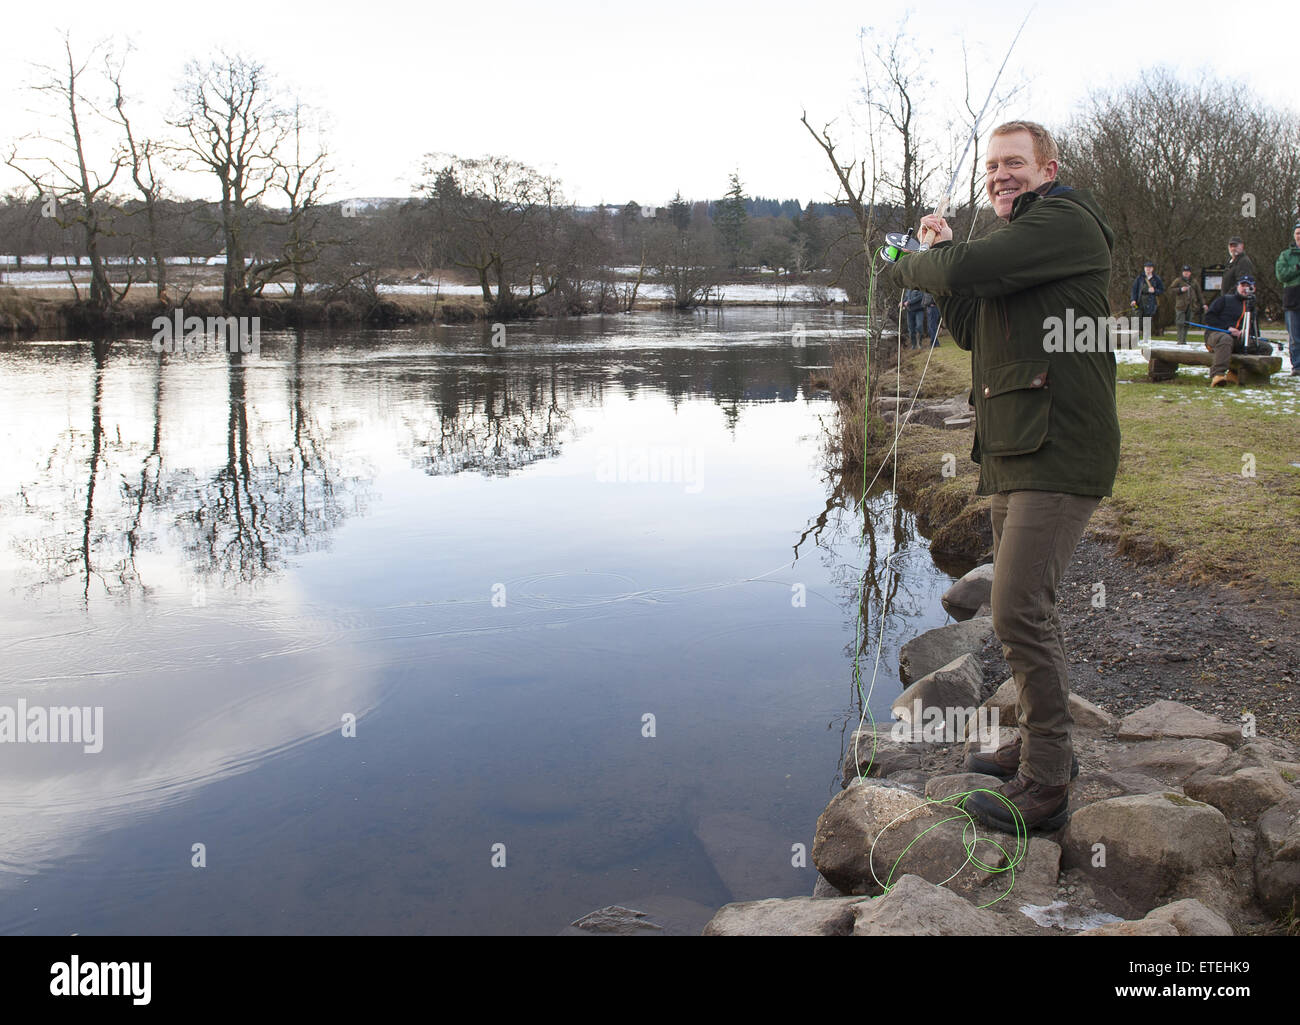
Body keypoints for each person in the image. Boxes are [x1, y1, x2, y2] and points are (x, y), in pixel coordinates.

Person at [883, 120, 1119, 833]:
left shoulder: (1066, 222)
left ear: (1048, 167)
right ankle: (1045, 740)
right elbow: (967, 319)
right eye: (992, 166)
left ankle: (1047, 782)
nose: (1000, 174)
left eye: (1014, 162)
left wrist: (912, 258)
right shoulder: (1015, 253)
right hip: (1013, 451)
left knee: (1018, 608)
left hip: (1059, 451)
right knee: (1020, 613)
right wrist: (941, 256)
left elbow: (955, 274)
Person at [1204, 275, 1268, 385]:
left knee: (1264, 347)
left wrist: (1246, 334)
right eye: (1243, 285)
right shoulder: (1224, 300)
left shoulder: (1252, 308)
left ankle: (1236, 374)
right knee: (1226, 339)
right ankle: (1218, 375)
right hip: (1216, 335)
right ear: (1237, 286)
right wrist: (1227, 328)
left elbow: (1255, 331)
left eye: (1249, 286)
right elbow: (1209, 317)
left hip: (1237, 340)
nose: (1245, 288)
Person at [1276, 222, 1300, 376]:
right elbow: (1281, 275)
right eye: (1298, 233)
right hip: (1292, 299)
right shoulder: (1285, 255)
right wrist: (1297, 268)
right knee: (1295, 337)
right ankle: (1297, 366)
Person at [1171, 264, 1205, 346]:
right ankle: (1180, 340)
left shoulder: (1194, 281)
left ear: (1190, 273)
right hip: (1180, 305)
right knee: (1180, 323)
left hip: (1191, 305)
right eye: (1184, 272)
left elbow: (1199, 293)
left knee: (1187, 323)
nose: (1186, 273)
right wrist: (1180, 289)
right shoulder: (1178, 281)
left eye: (1187, 272)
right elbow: (1171, 289)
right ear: (1182, 273)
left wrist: (1203, 304)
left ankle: (1184, 340)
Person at [1130, 260, 1164, 339]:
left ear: (1152, 269)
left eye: (1150, 268)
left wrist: (1155, 291)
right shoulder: (1139, 278)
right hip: (1139, 302)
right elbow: (1134, 290)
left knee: (1147, 321)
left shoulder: (1156, 279)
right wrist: (1133, 300)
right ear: (1144, 268)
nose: (1148, 269)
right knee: (1137, 320)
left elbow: (1162, 290)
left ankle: (1146, 340)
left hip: (1150, 303)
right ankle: (1136, 339)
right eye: (1146, 267)